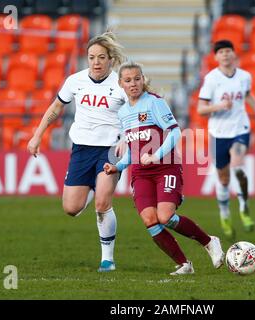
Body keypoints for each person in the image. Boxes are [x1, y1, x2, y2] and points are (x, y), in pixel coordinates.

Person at [103, 61, 225, 275]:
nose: (134, 84)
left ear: (143, 80)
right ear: (121, 84)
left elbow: (175, 132)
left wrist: (155, 155)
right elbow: (132, 148)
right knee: (150, 219)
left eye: (137, 79)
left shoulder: (154, 103)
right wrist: (118, 166)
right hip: (141, 173)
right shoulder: (123, 113)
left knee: (165, 216)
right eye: (128, 80)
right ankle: (184, 264)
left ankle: (209, 241)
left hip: (165, 167)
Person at [27, 32, 127, 272]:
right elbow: (56, 107)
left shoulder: (121, 84)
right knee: (71, 209)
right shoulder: (75, 80)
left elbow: (136, 113)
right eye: (92, 57)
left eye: (101, 57)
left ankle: (107, 260)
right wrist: (37, 135)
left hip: (110, 150)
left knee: (103, 203)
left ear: (111, 59)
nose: (96, 62)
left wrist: (126, 138)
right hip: (81, 150)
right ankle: (93, 187)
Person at [197, 40, 255, 239]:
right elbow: (201, 109)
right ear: (216, 57)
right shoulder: (212, 79)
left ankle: (244, 208)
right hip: (218, 133)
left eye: (228, 51)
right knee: (223, 178)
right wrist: (219, 106)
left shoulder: (245, 76)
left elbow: (248, 96)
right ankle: (224, 214)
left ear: (234, 54)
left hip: (240, 129)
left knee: (238, 165)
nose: (225, 55)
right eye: (221, 52)